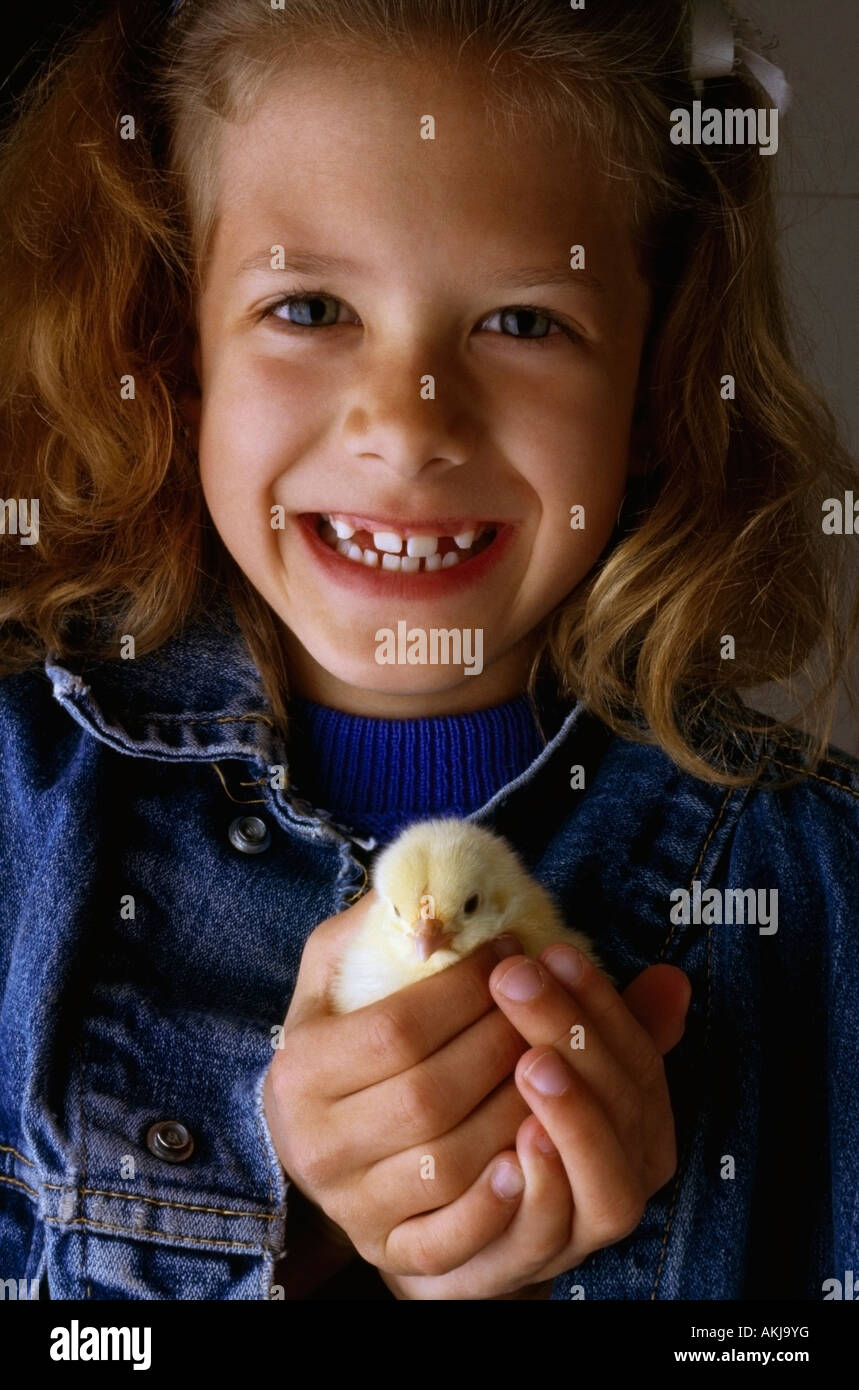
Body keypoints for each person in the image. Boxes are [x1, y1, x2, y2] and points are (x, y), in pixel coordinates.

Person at [0, 0, 856, 1301]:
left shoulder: (822, 902)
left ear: (652, 378)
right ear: (176, 353)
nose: (407, 425)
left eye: (522, 322)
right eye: (310, 305)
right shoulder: (18, 824)